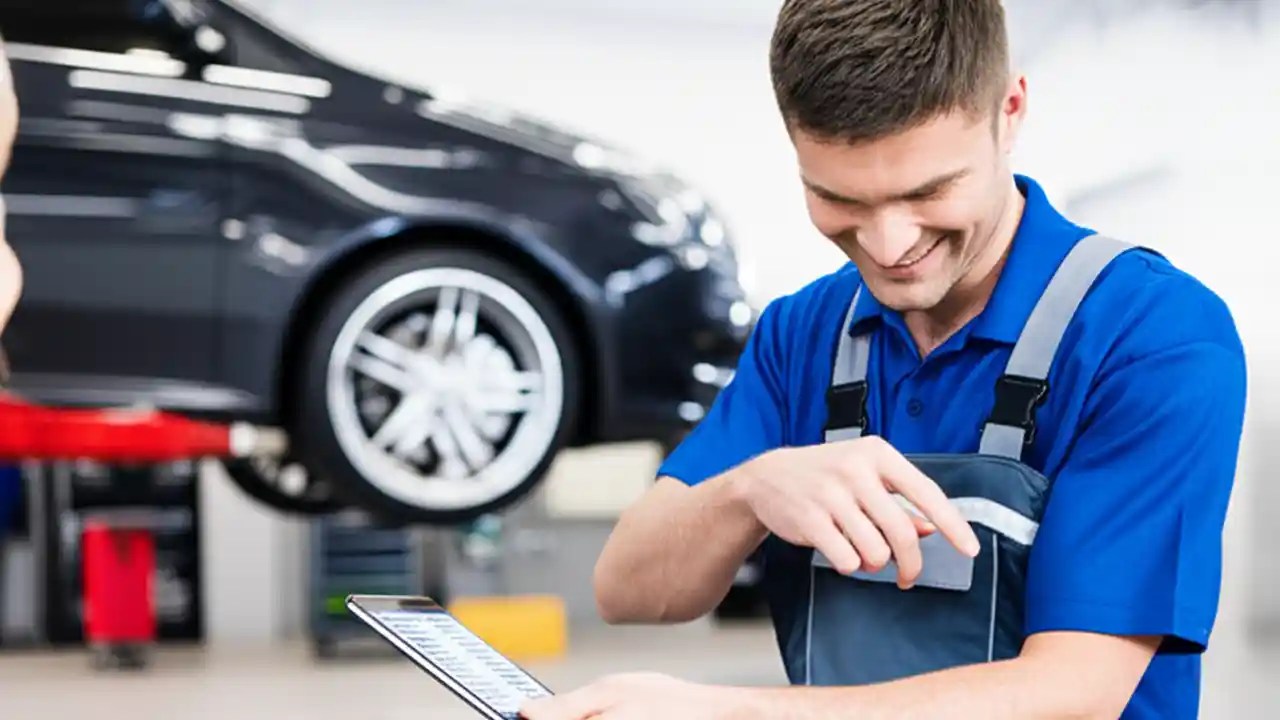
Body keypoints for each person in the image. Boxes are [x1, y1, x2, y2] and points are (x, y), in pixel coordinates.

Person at [521, 1, 1247, 718]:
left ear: (1010, 110)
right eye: (837, 198)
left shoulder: (1153, 337)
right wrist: (750, 489)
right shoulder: (804, 332)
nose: (888, 244)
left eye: (928, 192)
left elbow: (1074, 692)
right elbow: (629, 590)